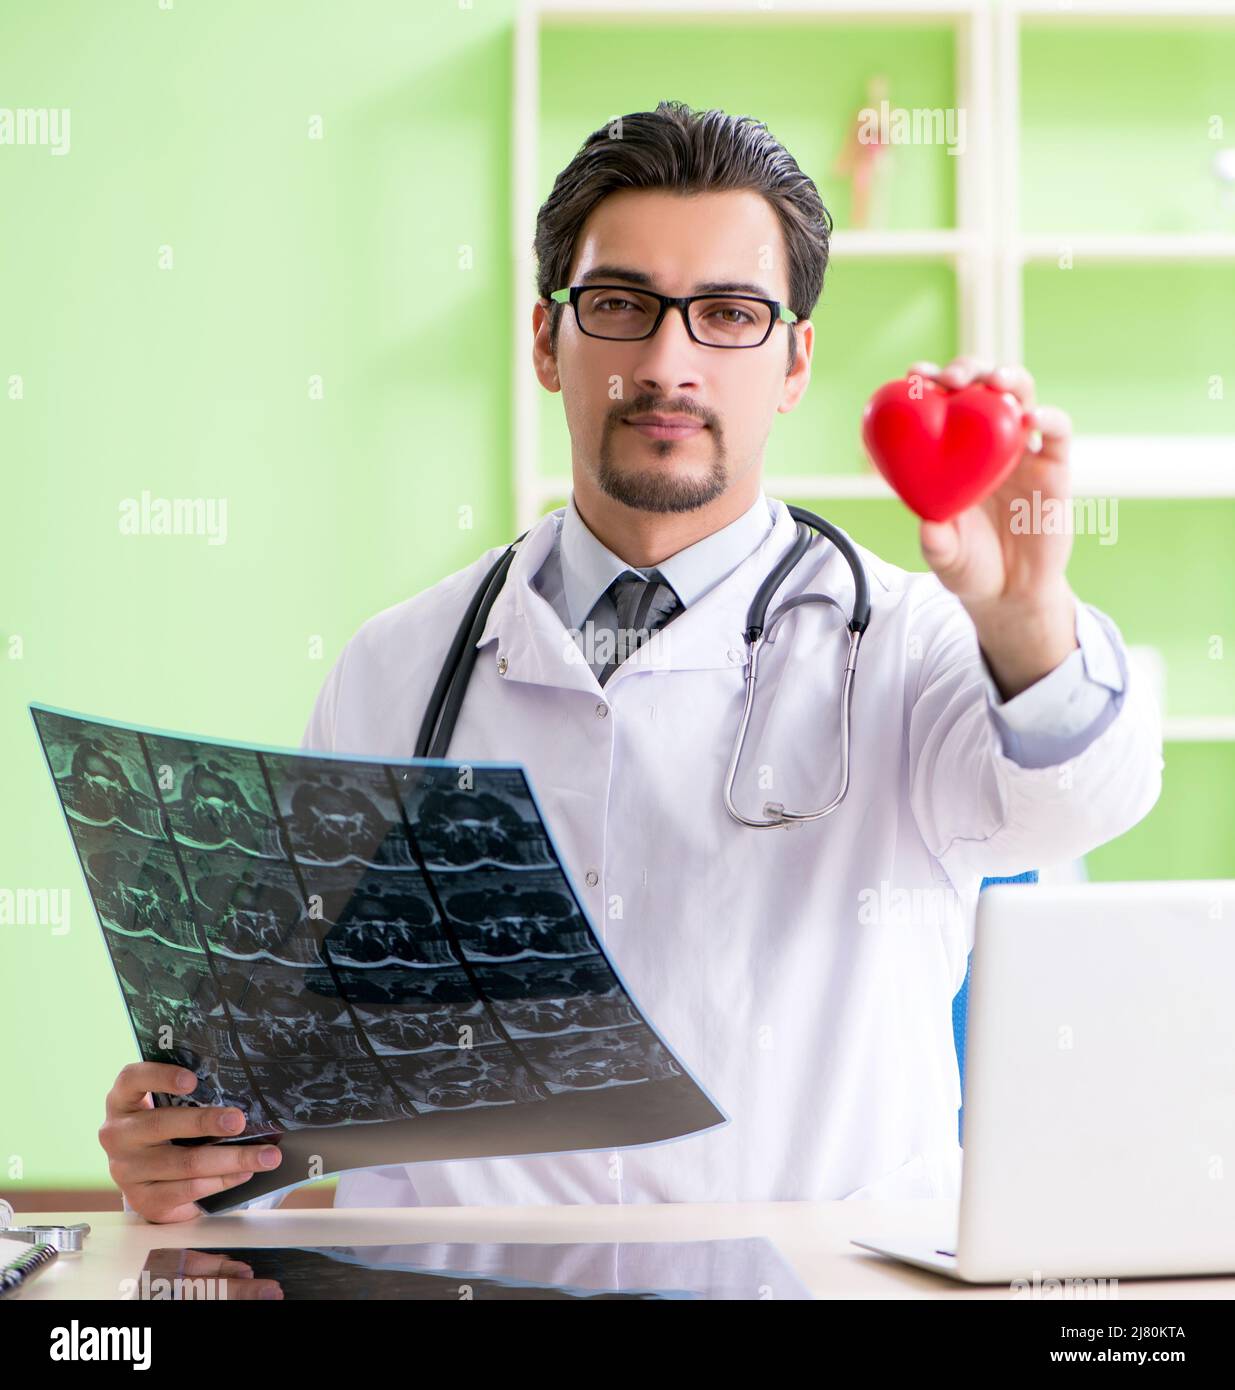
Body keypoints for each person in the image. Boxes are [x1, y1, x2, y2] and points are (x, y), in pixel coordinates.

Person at [103, 101, 1163, 1224]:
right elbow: (286, 1082)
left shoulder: (904, 645)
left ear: (795, 359)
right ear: (544, 340)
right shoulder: (396, 668)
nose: (668, 363)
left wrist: (1025, 616)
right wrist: (193, 1158)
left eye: (727, 313)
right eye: (618, 305)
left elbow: (1076, 805)